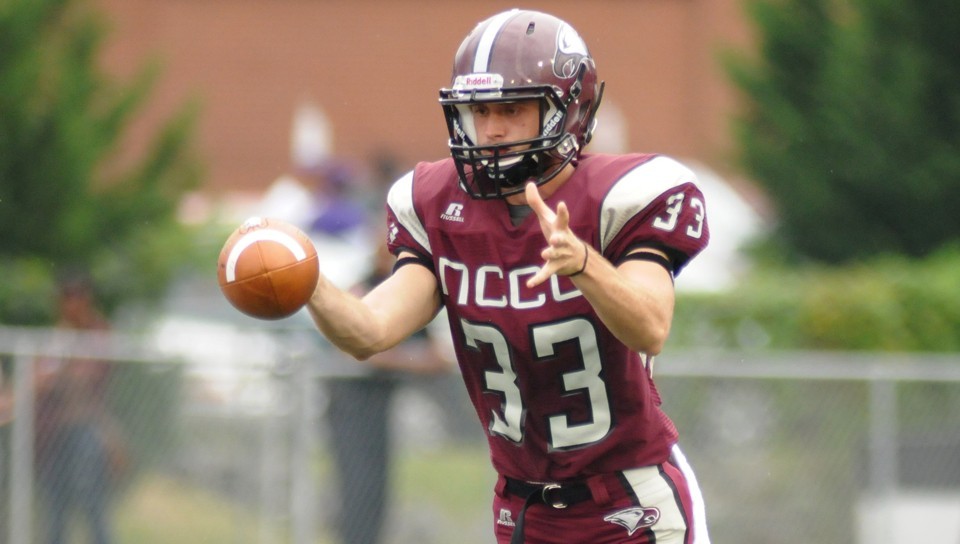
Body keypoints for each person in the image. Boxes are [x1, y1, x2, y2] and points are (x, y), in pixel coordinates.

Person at [305, 9, 711, 543]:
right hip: (521, 508)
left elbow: (651, 326)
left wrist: (585, 263)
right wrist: (306, 282)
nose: (491, 129)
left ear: (569, 110)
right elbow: (368, 332)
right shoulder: (434, 203)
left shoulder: (621, 196)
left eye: (513, 109)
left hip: (630, 503)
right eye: (478, 111)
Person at [33, 275, 127, 544]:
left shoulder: (99, 334)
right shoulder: (58, 335)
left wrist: (61, 372)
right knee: (55, 510)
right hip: (52, 432)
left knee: (92, 504)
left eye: (76, 298)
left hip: (86, 428)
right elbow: (41, 377)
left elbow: (85, 380)